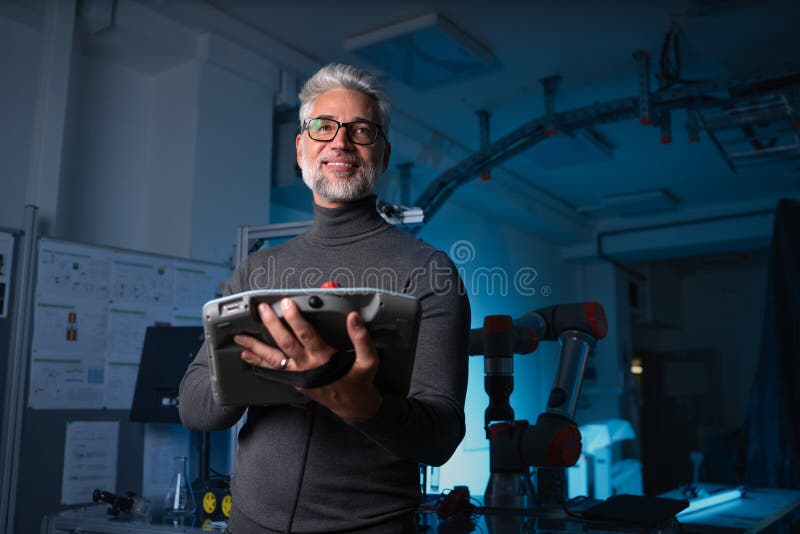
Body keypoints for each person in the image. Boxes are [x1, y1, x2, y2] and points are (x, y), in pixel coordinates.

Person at [179, 63, 471, 533]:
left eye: (361, 130)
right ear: (301, 147)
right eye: (323, 126)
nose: (340, 142)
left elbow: (440, 435)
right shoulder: (258, 270)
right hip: (250, 523)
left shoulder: (428, 271)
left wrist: (357, 400)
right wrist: (257, 376)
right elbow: (193, 406)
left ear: (383, 153)